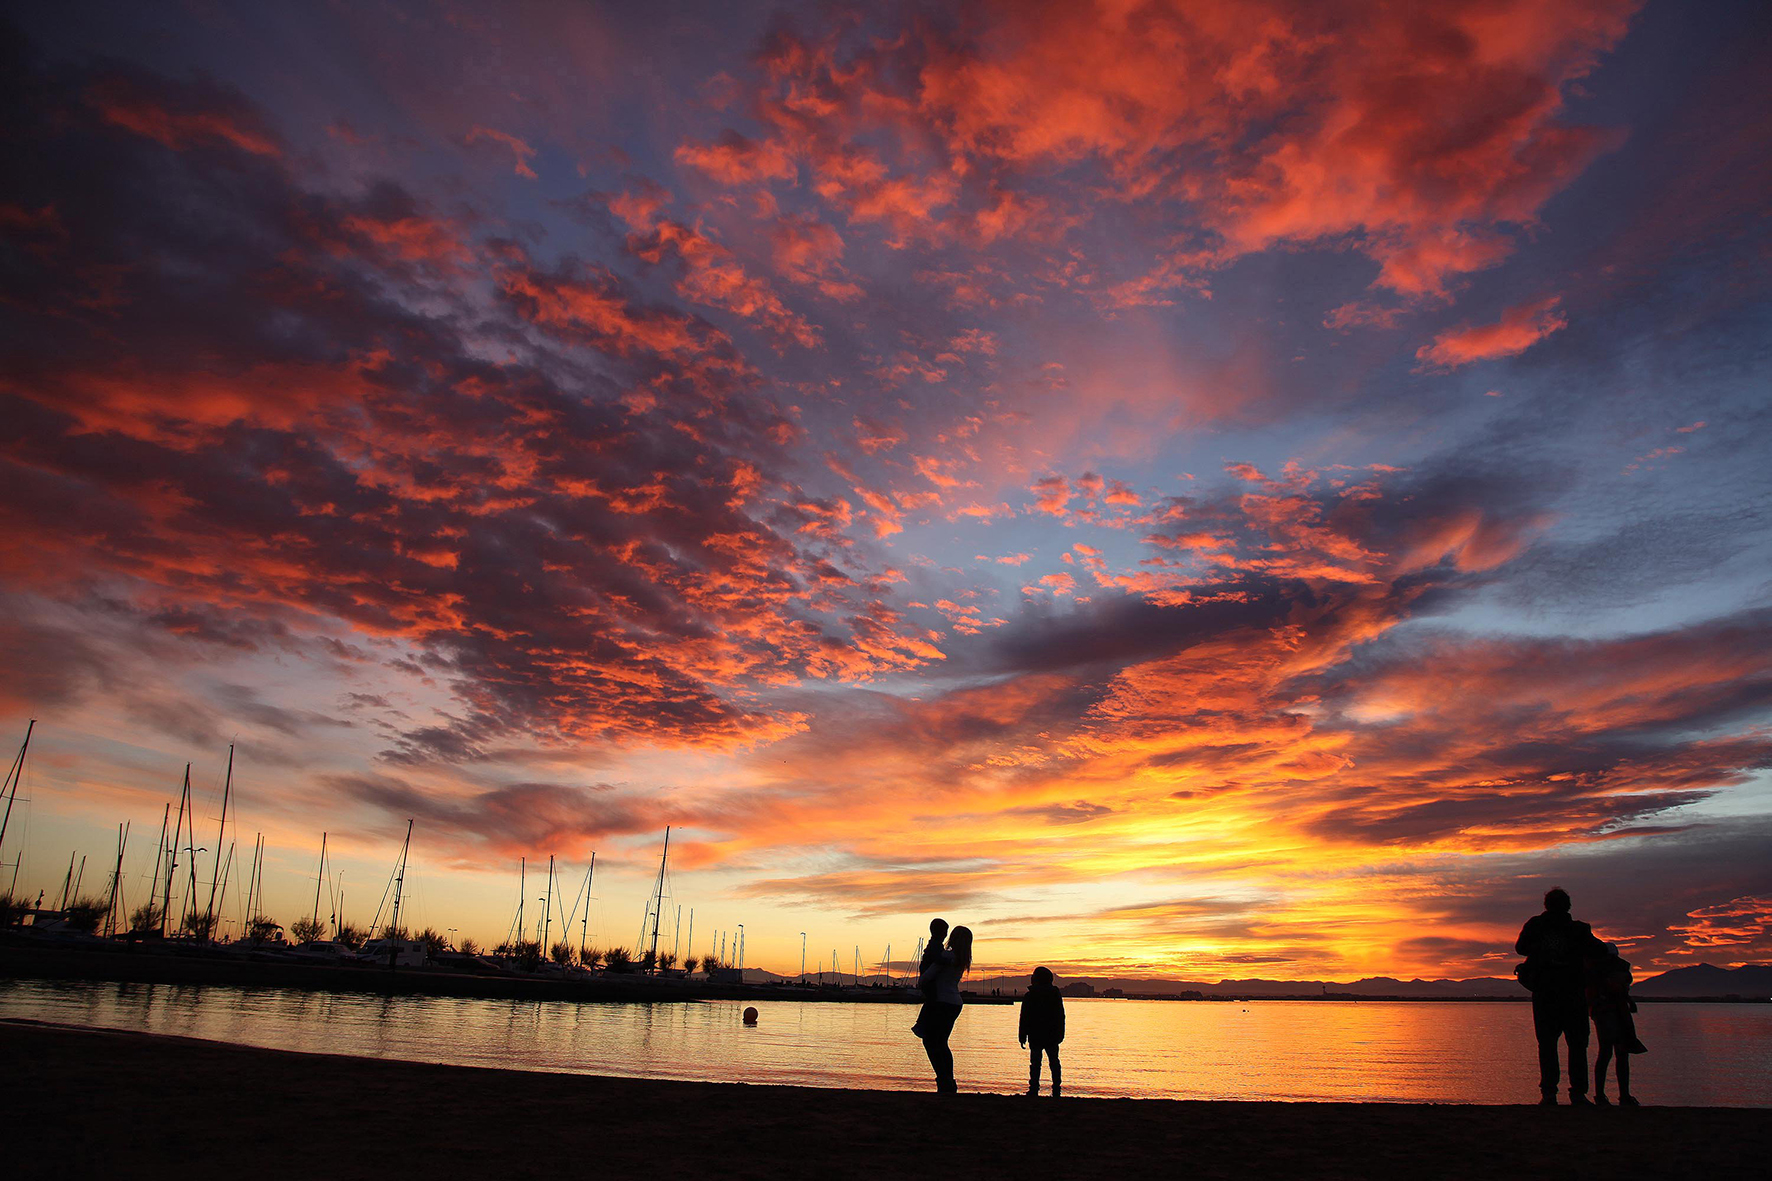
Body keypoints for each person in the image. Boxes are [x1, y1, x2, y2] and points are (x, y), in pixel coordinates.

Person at [1515, 887, 1606, 1105]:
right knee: (1576, 1045)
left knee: (1547, 1045)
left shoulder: (1536, 926)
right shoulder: (1579, 930)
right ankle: (1577, 1093)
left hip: (1546, 994)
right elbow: (1600, 951)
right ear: (1568, 906)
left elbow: (1521, 948)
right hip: (1572, 994)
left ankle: (1549, 1094)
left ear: (1546, 905)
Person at [1588, 942, 1647, 1106]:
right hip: (1611, 1013)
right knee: (1615, 1053)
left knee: (1612, 1053)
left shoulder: (1596, 970)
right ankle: (1616, 1096)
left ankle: (1608, 1096)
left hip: (1610, 1013)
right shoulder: (1606, 970)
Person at [917, 924, 971, 1093]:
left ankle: (943, 1080)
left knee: (931, 1042)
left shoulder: (946, 957)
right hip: (955, 1003)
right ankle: (948, 1080)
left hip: (941, 1002)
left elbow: (925, 979)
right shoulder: (962, 960)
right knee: (941, 1043)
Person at [1018, 965, 1065, 1097]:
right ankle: (1056, 1087)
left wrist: (1022, 1036)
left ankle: (1034, 1088)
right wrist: (1061, 1033)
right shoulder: (1054, 994)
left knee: (1036, 1063)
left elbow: (1024, 1018)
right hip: (1050, 1034)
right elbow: (1061, 1016)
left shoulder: (1030, 995)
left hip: (1037, 1034)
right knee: (1053, 1061)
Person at [909, 917, 948, 1038]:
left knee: (931, 1001)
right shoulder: (936, 946)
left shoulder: (935, 945)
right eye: (945, 931)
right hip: (929, 980)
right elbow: (938, 959)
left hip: (928, 978)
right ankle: (920, 1024)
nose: (946, 935)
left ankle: (922, 1024)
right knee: (932, 1001)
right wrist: (949, 960)